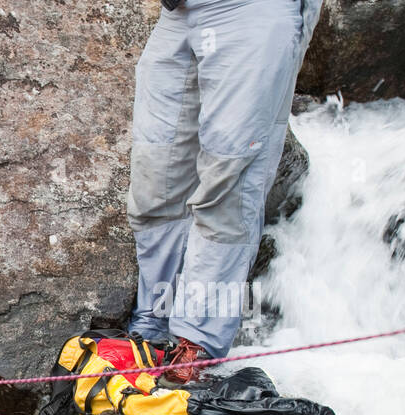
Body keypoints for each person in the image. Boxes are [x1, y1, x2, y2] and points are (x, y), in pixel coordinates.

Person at [126, 0, 323, 384]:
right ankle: (155, 321)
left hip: (252, 11)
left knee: (229, 183)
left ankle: (194, 341)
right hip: (178, 11)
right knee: (157, 177)